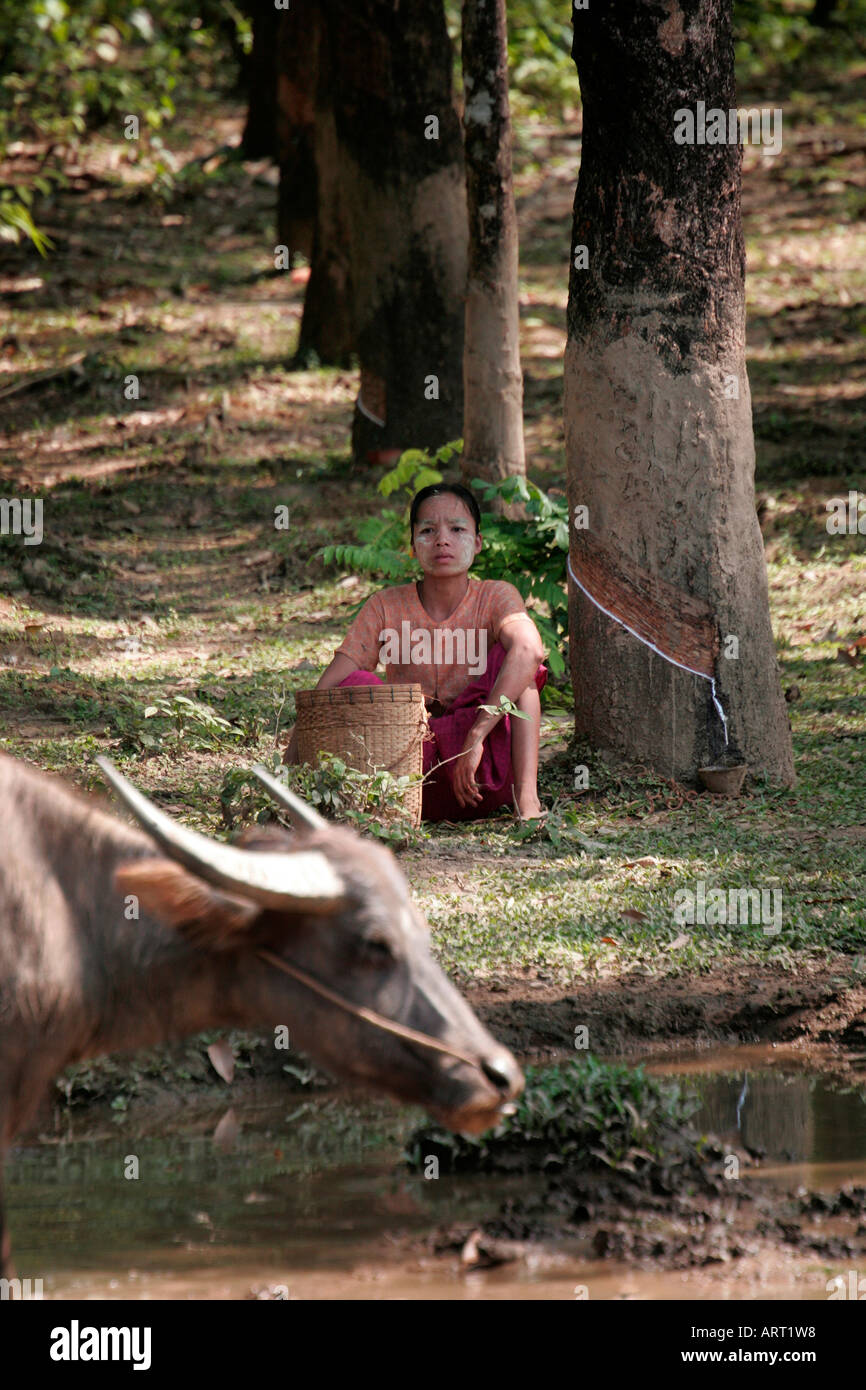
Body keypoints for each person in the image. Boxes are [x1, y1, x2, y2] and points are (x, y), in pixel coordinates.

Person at [284, 482, 547, 822]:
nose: (442, 540)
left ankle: (528, 802)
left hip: (480, 773)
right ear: (412, 546)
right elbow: (330, 685)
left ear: (478, 542)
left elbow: (529, 650)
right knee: (356, 680)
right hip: (403, 775)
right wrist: (288, 772)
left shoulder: (496, 596)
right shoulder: (385, 605)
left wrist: (477, 735)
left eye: (457, 529)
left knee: (519, 666)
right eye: (427, 530)